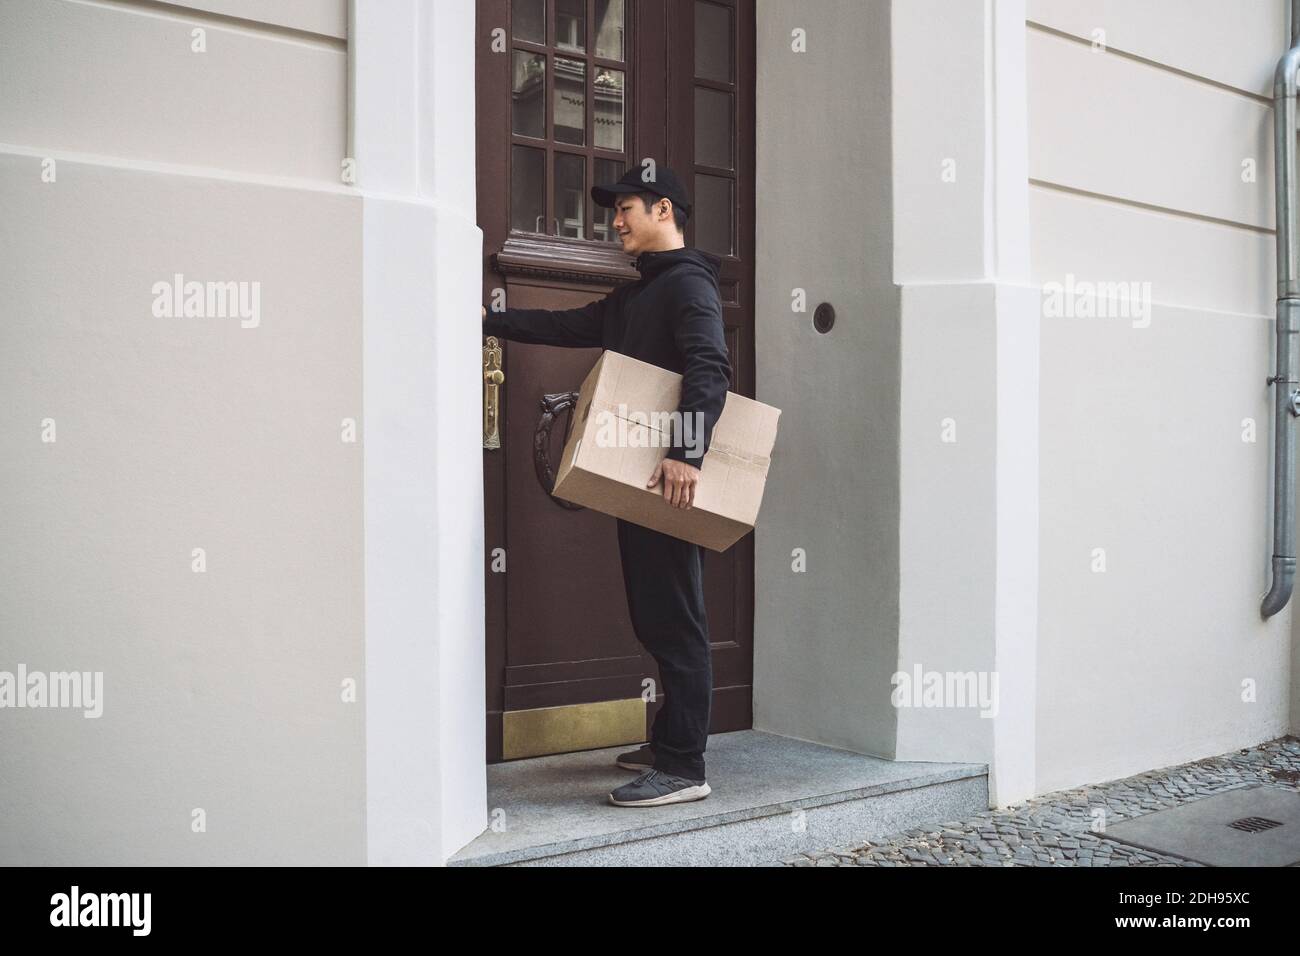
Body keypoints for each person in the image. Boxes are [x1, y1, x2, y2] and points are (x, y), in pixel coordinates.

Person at [482, 163, 732, 807]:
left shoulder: (687, 285)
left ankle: (684, 767)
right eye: (614, 210)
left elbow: (710, 366)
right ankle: (669, 740)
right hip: (638, 474)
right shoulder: (637, 295)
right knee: (655, 613)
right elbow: (568, 328)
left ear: (665, 212)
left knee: (676, 620)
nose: (615, 221)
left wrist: (688, 453)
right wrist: (491, 321)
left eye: (627, 208)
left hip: (668, 476)